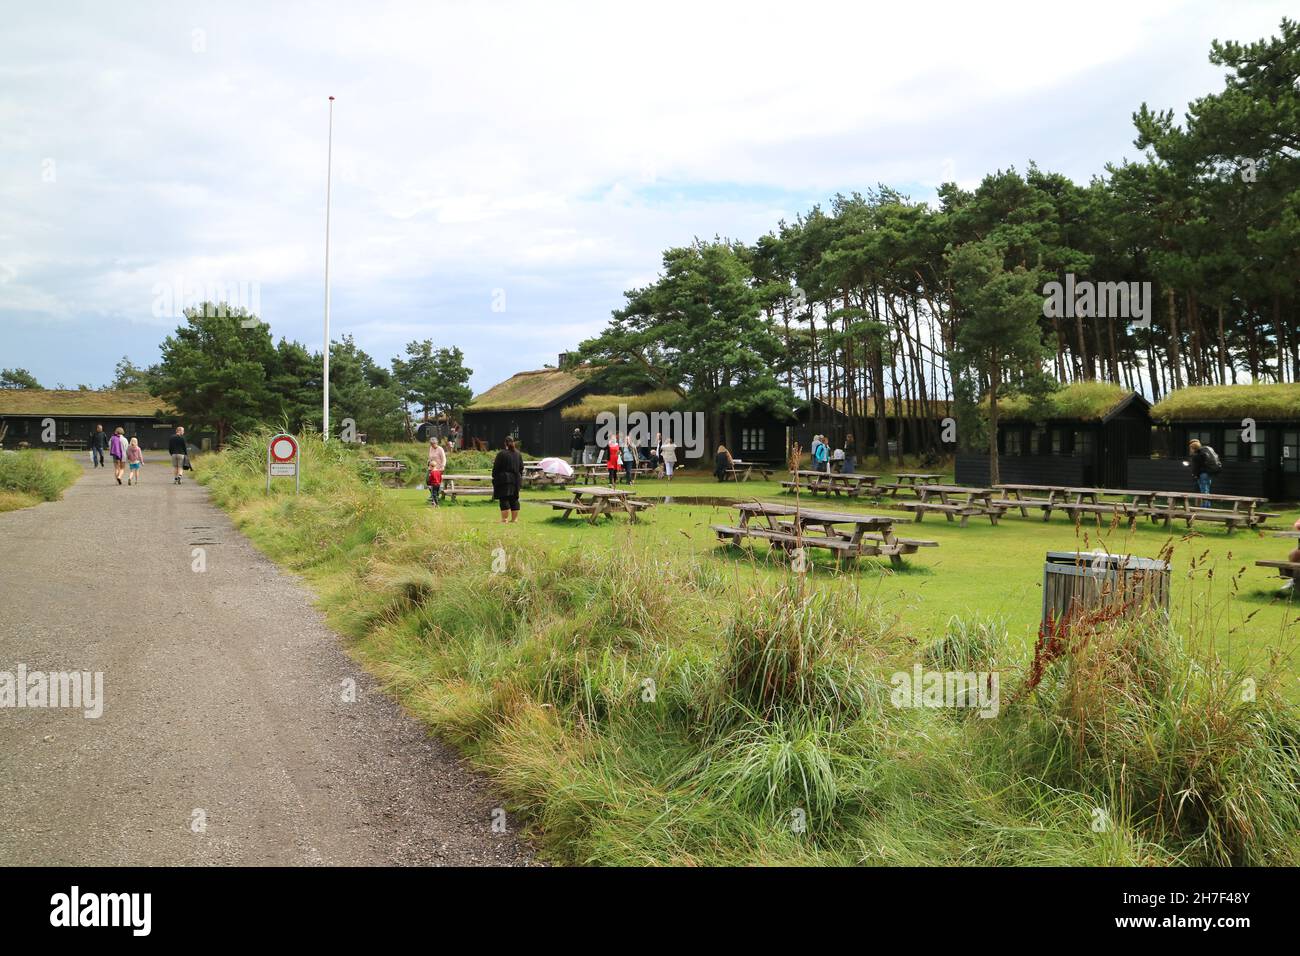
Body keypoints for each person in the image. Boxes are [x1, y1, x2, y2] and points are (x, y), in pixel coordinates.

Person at [491, 437, 523, 524]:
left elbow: (496, 468)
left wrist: (494, 477)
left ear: (505, 443)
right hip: (516, 479)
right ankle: (514, 519)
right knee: (514, 499)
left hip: (504, 479)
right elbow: (521, 468)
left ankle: (505, 519)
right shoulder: (518, 454)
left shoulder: (501, 454)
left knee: (504, 498)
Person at [1188, 439, 1214, 507]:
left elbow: (1196, 467)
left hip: (1202, 474)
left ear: (1194, 448)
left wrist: (1195, 475)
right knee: (1207, 490)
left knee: (1203, 491)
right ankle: (1207, 505)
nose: (1190, 450)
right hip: (1208, 474)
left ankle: (1205, 506)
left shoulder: (1196, 455)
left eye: (1191, 448)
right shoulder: (1204, 453)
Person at [427, 437, 447, 506]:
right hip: (431, 468)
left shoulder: (440, 449)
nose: (432, 445)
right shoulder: (431, 448)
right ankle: (433, 495)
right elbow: (429, 457)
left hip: (438, 469)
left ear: (436, 443)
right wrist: (428, 462)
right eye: (431, 444)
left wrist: (443, 466)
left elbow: (444, 458)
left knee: (436, 483)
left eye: (433, 444)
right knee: (428, 482)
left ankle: (435, 497)